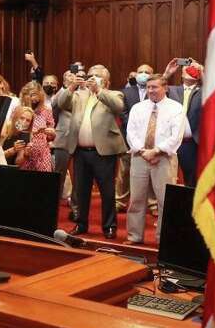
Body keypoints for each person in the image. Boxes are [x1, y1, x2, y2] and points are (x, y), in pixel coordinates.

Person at [54, 64, 126, 239]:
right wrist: (71, 86)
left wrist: (99, 90)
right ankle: (81, 224)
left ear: (106, 81)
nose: (91, 78)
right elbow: (60, 103)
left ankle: (109, 226)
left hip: (103, 152)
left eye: (96, 76)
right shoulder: (78, 95)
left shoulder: (112, 94)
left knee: (107, 191)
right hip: (80, 151)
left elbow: (118, 106)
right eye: (90, 75)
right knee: (81, 191)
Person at [125, 74, 183, 244]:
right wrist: (144, 152)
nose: (150, 90)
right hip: (139, 157)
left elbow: (176, 136)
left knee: (165, 201)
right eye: (149, 87)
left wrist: (157, 151)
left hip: (164, 158)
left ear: (165, 88)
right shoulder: (138, 107)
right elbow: (131, 133)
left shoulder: (176, 108)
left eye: (155, 87)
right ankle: (134, 237)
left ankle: (163, 240)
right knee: (136, 199)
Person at [117, 62, 155, 212]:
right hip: (129, 136)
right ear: (135, 74)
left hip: (151, 137)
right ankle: (120, 200)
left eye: (147, 71)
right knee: (124, 170)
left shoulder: (155, 91)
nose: (143, 74)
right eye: (141, 71)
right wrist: (134, 126)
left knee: (152, 170)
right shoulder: (127, 92)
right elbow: (122, 112)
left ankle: (152, 204)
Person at [166, 59, 204, 186]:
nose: (190, 68)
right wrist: (167, 73)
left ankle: (191, 205)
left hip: (191, 143)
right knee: (167, 178)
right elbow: (155, 89)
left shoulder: (204, 91)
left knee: (191, 179)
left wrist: (202, 73)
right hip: (170, 140)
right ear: (181, 74)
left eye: (193, 68)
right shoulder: (171, 90)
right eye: (187, 66)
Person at [50, 70, 78, 221]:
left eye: (74, 75)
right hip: (63, 139)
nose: (71, 77)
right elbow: (55, 104)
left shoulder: (83, 93)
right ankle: (52, 206)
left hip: (80, 139)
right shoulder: (60, 93)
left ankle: (75, 209)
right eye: (68, 75)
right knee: (58, 175)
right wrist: (68, 88)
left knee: (78, 178)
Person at [16, 80, 55, 172]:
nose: (33, 98)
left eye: (35, 94)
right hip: (24, 154)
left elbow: (51, 135)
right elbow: (15, 131)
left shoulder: (46, 110)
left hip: (42, 155)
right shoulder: (19, 110)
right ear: (24, 95)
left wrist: (51, 133)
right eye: (30, 95)